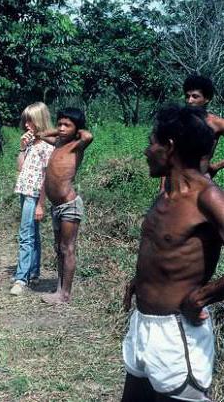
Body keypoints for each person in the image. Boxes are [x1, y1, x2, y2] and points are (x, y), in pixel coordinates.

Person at [121, 105, 224, 402]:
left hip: (179, 334)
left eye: (152, 142)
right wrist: (139, 281)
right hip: (143, 326)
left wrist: (205, 295)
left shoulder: (208, 197)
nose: (146, 151)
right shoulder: (167, 193)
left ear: (169, 147)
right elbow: (166, 249)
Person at [36, 108, 93, 304]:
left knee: (67, 248)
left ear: (76, 129)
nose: (61, 128)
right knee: (59, 248)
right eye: (59, 124)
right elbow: (41, 135)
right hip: (56, 207)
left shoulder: (77, 145)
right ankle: (59, 288)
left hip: (69, 205)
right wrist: (61, 130)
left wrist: (76, 131)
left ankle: (65, 294)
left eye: (66, 125)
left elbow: (88, 135)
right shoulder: (58, 143)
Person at [10, 102, 54, 295]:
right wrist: (22, 147)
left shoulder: (47, 146)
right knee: (32, 234)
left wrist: (41, 204)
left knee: (25, 235)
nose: (26, 124)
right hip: (24, 192)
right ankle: (33, 272)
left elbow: (47, 177)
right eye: (25, 120)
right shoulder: (30, 143)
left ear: (40, 120)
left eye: (30, 120)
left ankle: (21, 278)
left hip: (34, 195)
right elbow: (20, 168)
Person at [183, 75, 224, 178]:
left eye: (195, 96)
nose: (189, 101)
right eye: (187, 96)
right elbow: (167, 155)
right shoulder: (178, 121)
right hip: (177, 181)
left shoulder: (216, 123)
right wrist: (162, 189)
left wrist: (216, 167)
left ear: (207, 99)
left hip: (202, 181)